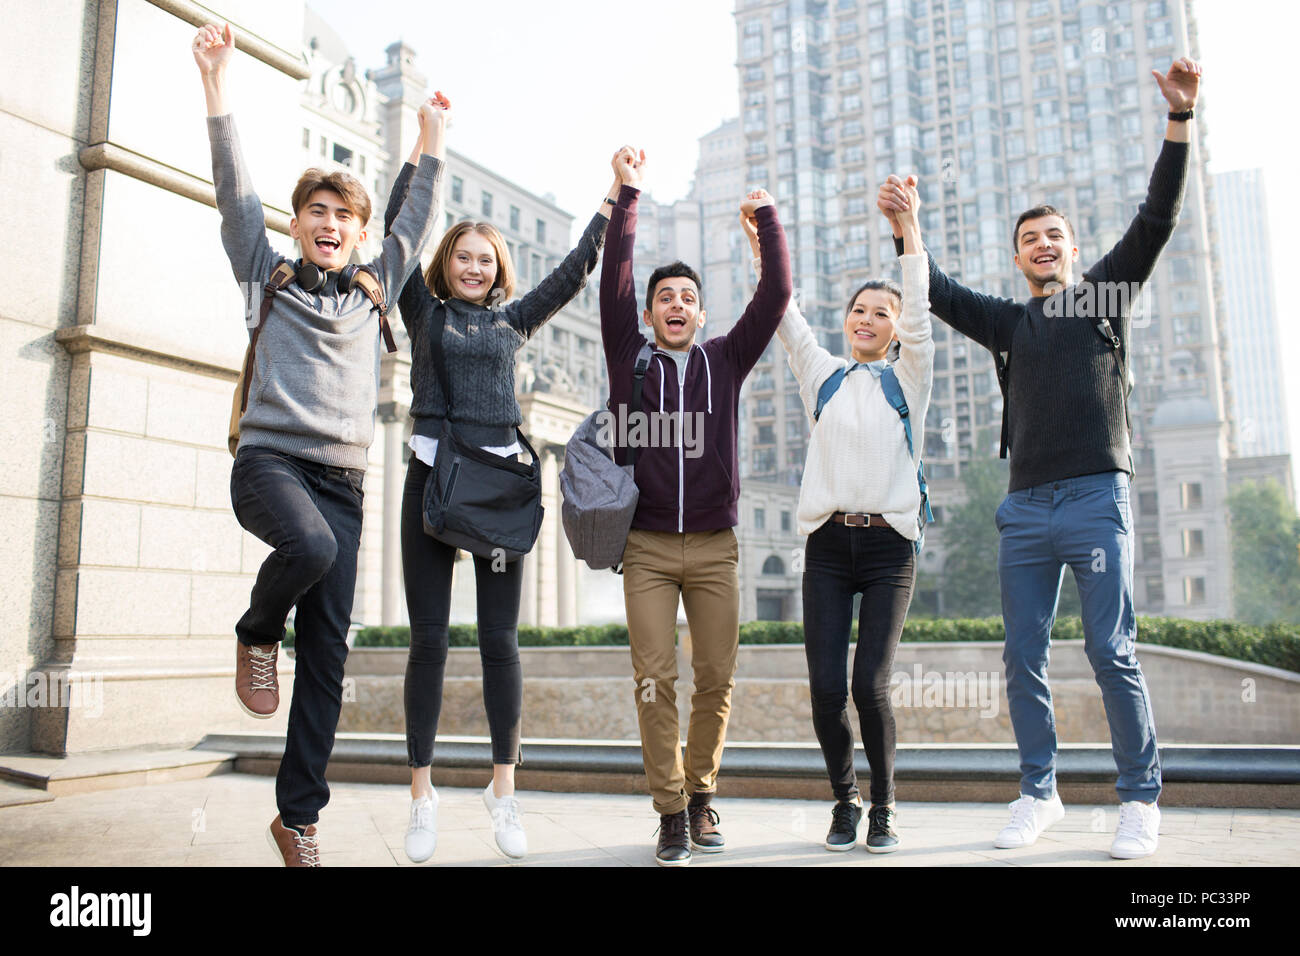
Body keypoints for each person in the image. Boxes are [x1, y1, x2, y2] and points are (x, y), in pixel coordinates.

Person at [877, 56, 1202, 860]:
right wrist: (908, 227)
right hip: (1024, 506)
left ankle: (1139, 800)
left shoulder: (1103, 297)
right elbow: (938, 293)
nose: (1042, 245)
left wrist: (1180, 120)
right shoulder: (1008, 324)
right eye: (1029, 240)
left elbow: (1157, 219)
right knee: (1020, 654)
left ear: (1073, 249)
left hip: (1096, 496)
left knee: (1109, 649)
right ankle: (1039, 791)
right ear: (1019, 260)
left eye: (1053, 235)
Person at [194, 22, 447, 866]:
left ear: (358, 232)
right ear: (297, 225)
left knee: (331, 661)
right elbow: (232, 190)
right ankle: (257, 629)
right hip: (267, 467)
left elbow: (418, 214)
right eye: (317, 212)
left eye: (344, 215)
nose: (330, 224)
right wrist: (217, 81)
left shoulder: (374, 294)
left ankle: (296, 820)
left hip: (344, 482)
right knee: (304, 545)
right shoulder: (261, 277)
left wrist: (430, 138)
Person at [386, 142, 624, 864]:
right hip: (432, 485)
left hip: (497, 498)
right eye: (463, 255)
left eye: (485, 259)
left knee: (500, 645)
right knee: (429, 641)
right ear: (445, 265)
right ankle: (422, 797)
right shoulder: (422, 312)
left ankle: (502, 789)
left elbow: (574, 272)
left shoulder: (513, 323)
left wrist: (613, 196)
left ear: (497, 269)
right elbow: (399, 225)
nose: (474, 266)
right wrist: (425, 148)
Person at [601, 149, 792, 866]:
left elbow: (774, 297)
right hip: (646, 547)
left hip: (716, 545)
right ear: (650, 316)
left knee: (716, 677)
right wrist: (628, 195)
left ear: (701, 312)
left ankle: (704, 792)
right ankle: (671, 811)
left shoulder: (725, 359)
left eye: (687, 297)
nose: (675, 305)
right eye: (664, 299)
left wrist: (766, 221)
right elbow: (612, 284)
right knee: (655, 679)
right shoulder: (632, 360)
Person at [744, 180, 931, 853]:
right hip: (825, 548)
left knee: (868, 684)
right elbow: (782, 310)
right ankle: (844, 801)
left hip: (889, 553)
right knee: (826, 688)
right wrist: (764, 239)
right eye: (859, 309)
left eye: (882, 313)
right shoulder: (820, 373)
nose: (868, 319)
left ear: (895, 326)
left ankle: (884, 807)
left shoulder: (910, 377)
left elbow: (921, 309)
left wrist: (908, 229)